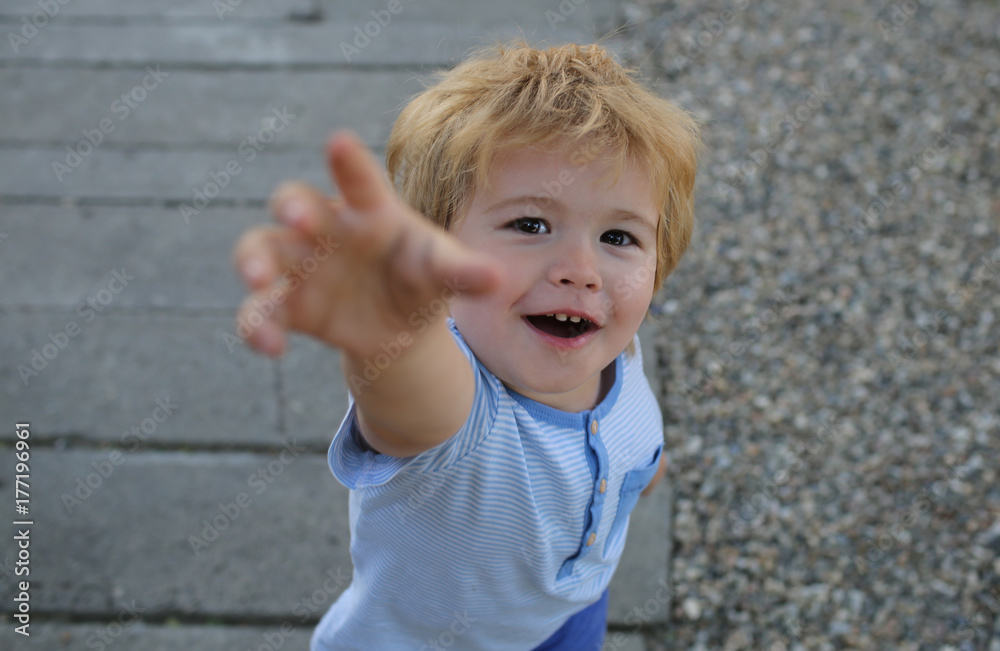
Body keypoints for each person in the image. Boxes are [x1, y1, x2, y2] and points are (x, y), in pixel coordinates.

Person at [232, 40, 701, 650]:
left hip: (568, 612)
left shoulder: (618, 353)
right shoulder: (459, 407)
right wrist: (389, 326)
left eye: (619, 235)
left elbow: (631, 446)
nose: (581, 269)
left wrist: (645, 468)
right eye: (530, 225)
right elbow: (411, 402)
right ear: (439, 251)